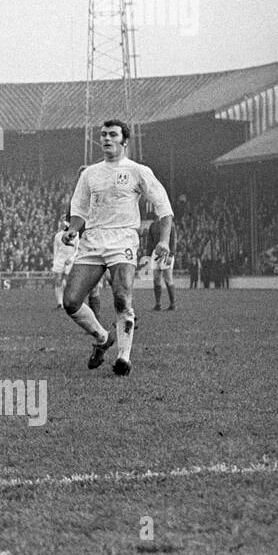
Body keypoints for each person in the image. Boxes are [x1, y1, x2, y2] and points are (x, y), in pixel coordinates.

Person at [60, 120, 173, 377]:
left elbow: (163, 208)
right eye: (103, 135)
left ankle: (123, 357)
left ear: (125, 141)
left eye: (113, 134)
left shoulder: (138, 171)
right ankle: (102, 338)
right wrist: (72, 230)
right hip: (93, 240)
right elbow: (79, 211)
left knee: (121, 296)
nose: (107, 139)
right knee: (70, 301)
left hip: (123, 239)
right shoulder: (90, 173)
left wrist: (163, 241)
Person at [152, 220, 177, 311]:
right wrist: (148, 254)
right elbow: (150, 241)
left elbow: (173, 239)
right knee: (156, 278)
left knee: (168, 278)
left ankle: (173, 304)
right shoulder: (153, 224)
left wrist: (171, 254)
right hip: (155, 253)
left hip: (167, 253)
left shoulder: (170, 224)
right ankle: (158, 304)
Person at [50, 219, 76, 308]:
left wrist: (72, 258)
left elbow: (77, 249)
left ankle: (67, 300)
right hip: (59, 260)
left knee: (67, 281)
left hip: (70, 260)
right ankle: (60, 303)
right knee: (58, 280)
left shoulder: (75, 236)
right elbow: (55, 249)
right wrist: (54, 261)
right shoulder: (58, 236)